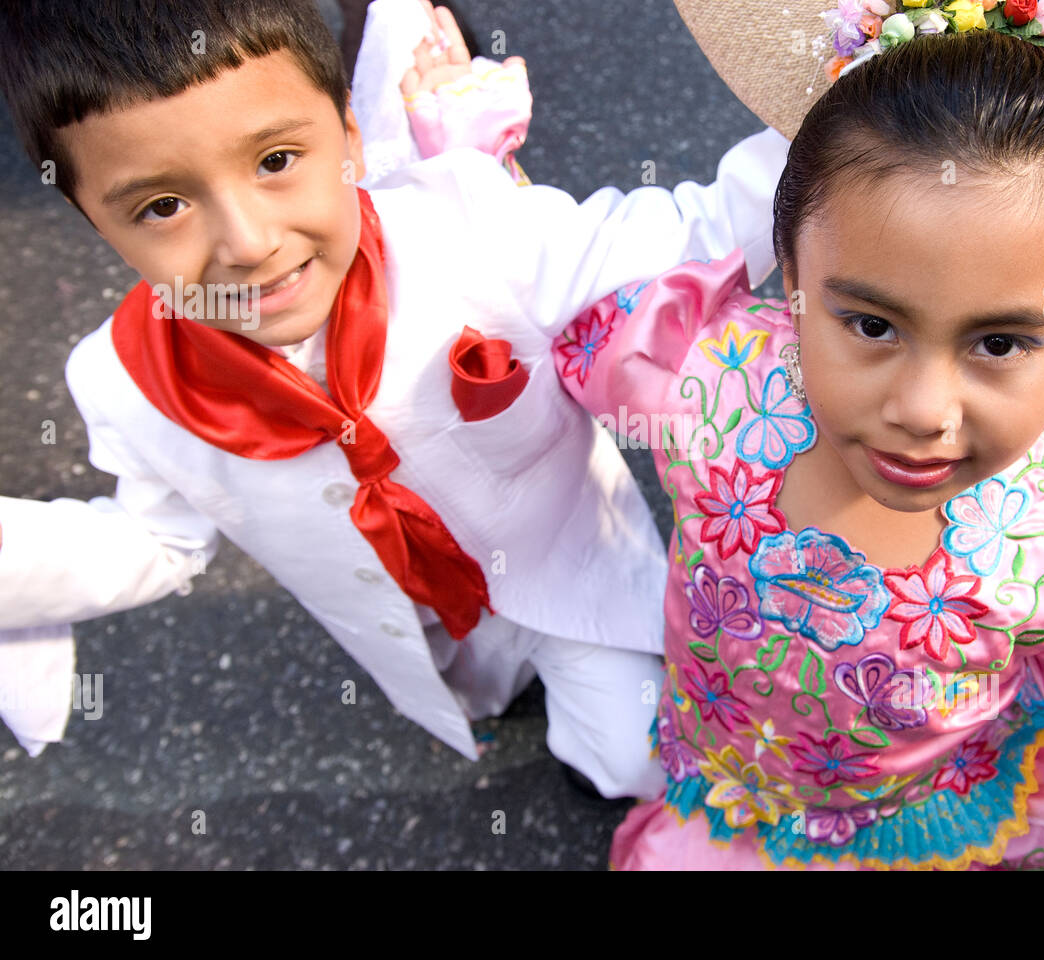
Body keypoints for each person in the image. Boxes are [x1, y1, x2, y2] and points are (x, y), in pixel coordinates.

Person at [553, 3, 1044, 868]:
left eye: (1000, 343)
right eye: (872, 325)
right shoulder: (696, 373)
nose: (923, 408)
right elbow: (550, 316)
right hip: (710, 772)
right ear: (792, 274)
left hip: (908, 834)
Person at [0, 0, 788, 805]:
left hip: (567, 573)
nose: (248, 242)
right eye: (161, 207)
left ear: (350, 137)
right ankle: (487, 699)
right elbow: (160, 537)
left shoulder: (474, 226)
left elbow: (697, 232)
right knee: (479, 690)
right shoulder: (123, 384)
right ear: (94, 219)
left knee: (632, 761)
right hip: (420, 632)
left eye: (275, 160)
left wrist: (854, 115)